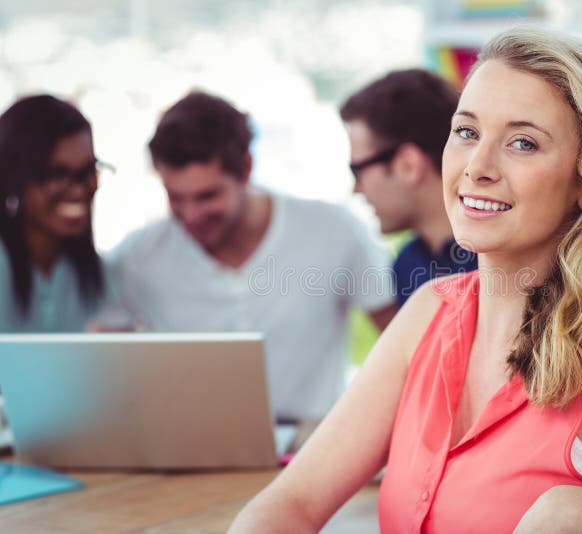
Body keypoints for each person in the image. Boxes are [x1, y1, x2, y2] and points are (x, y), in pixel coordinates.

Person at [229, 27, 582, 532]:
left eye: (523, 142)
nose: (478, 166)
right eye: (466, 131)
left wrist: (581, 515)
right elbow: (293, 504)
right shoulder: (429, 312)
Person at [107, 91, 396, 421]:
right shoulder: (137, 257)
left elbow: (403, 346)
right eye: (176, 198)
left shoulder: (334, 231)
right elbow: (98, 365)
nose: (191, 215)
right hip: (191, 450)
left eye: (207, 196)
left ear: (245, 168)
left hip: (312, 446)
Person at [341, 69, 477, 307]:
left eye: (358, 171)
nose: (356, 189)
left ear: (408, 165)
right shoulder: (408, 264)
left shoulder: (498, 260)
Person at [0, 95, 109, 332]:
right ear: (12, 178)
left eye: (87, 171)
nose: (79, 189)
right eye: (57, 174)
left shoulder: (102, 276)